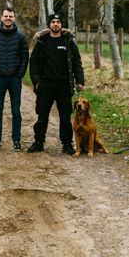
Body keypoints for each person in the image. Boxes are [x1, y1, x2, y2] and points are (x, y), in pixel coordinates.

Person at [28, 13, 84, 155]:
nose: (56, 24)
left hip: (64, 85)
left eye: (58, 22)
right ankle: (39, 142)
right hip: (45, 85)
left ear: (61, 25)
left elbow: (77, 62)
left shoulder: (68, 42)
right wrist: (36, 81)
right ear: (49, 25)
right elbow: (33, 62)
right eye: (53, 21)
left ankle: (67, 144)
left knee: (65, 117)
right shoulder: (42, 42)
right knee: (42, 116)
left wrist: (80, 81)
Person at [0, 7, 29, 151]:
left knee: (16, 111)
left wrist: (20, 74)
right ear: (1, 18)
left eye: (11, 16)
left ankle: (16, 141)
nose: (8, 18)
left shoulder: (21, 37)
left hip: (15, 79)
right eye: (6, 16)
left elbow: (24, 57)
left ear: (14, 18)